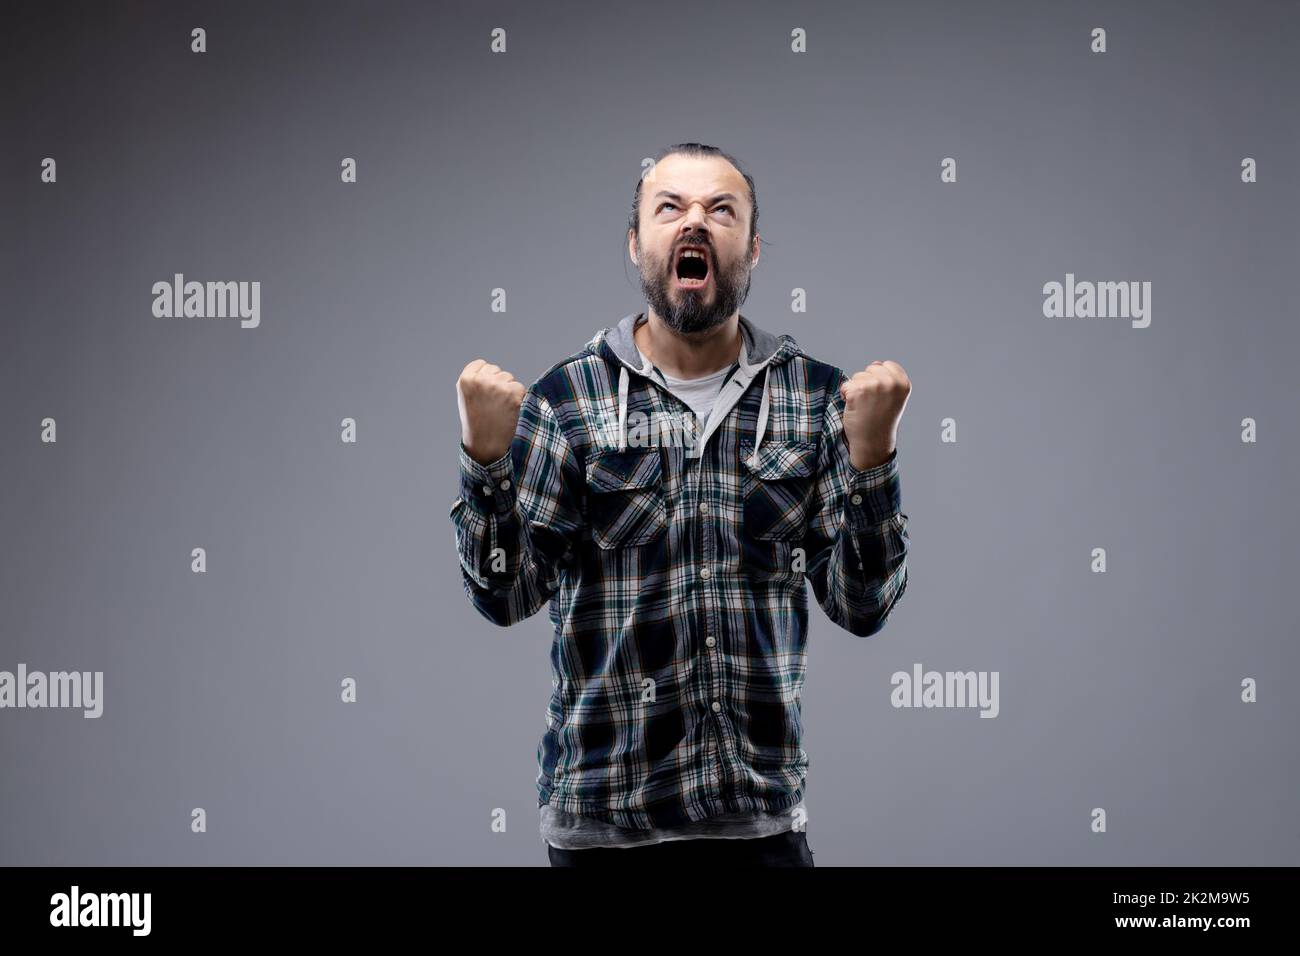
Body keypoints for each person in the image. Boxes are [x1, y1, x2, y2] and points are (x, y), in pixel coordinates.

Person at [450, 143, 912, 866]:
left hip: (757, 830)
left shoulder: (818, 397)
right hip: (600, 831)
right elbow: (505, 597)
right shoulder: (565, 400)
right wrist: (486, 462)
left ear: (751, 249)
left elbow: (863, 606)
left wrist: (874, 458)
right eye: (670, 207)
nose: (695, 221)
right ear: (637, 244)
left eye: (720, 210)